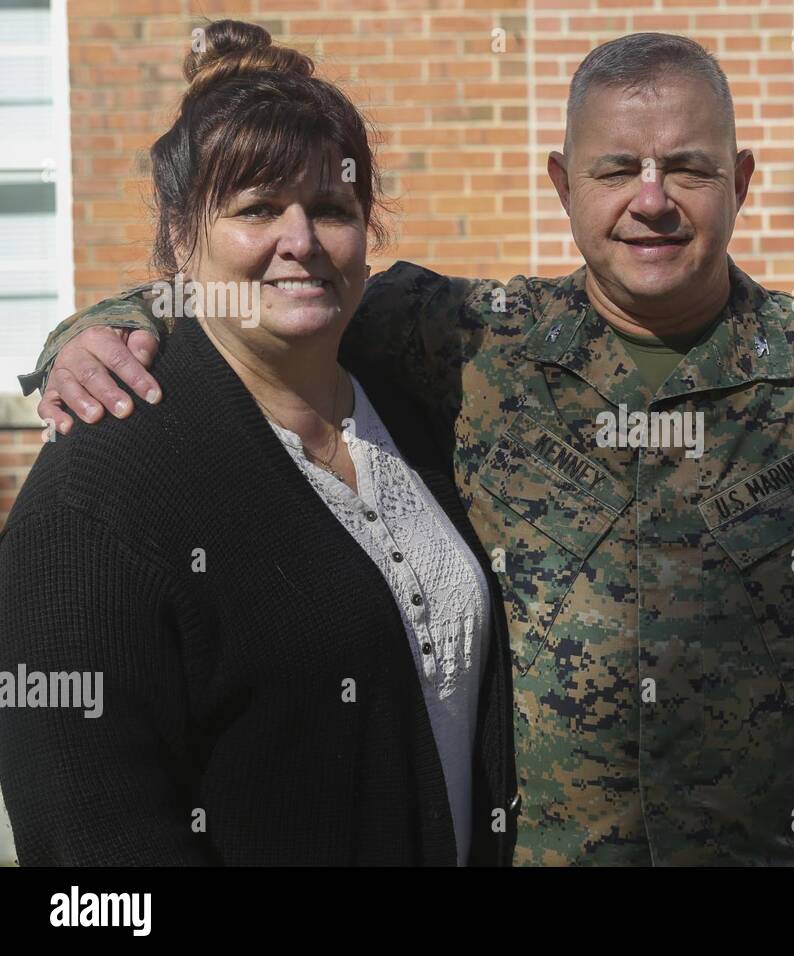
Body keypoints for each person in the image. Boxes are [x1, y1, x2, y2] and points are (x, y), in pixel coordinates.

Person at [21, 34, 794, 866]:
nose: (651, 198)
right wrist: (89, 335)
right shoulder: (457, 335)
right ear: (561, 180)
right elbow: (266, 293)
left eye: (685, 167)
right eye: (616, 167)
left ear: (743, 177)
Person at [0, 21, 516, 866]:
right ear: (176, 237)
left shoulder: (418, 412)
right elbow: (86, 843)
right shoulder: (98, 488)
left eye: (332, 210)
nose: (301, 241)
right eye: (256, 210)